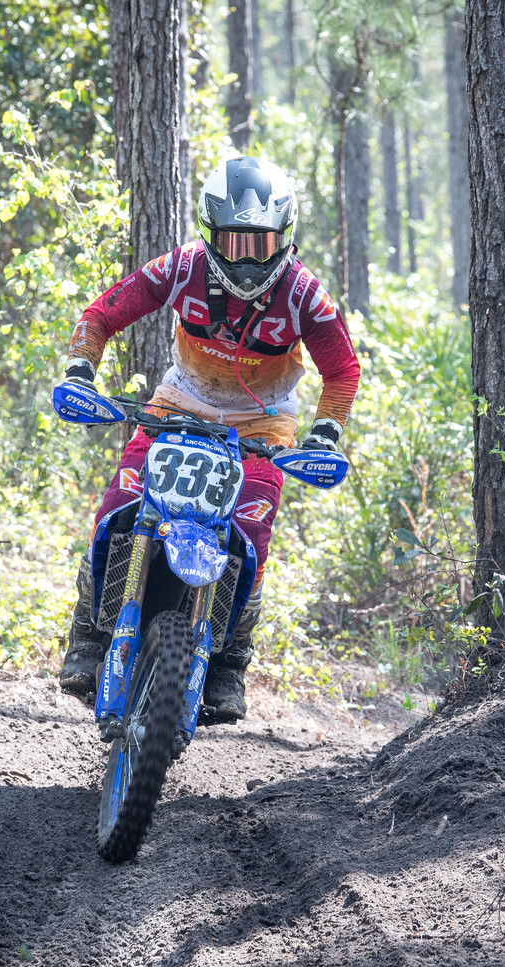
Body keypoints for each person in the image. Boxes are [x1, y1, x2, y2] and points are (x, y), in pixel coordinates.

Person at [55, 156, 360, 721]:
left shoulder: (303, 293)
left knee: (250, 536)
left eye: (261, 243)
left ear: (284, 238)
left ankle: (228, 664)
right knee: (120, 508)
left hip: (262, 424)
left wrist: (324, 433)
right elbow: (101, 314)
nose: (248, 261)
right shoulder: (181, 268)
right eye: (234, 244)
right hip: (179, 404)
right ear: (209, 233)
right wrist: (80, 370)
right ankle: (88, 638)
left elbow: (343, 369)